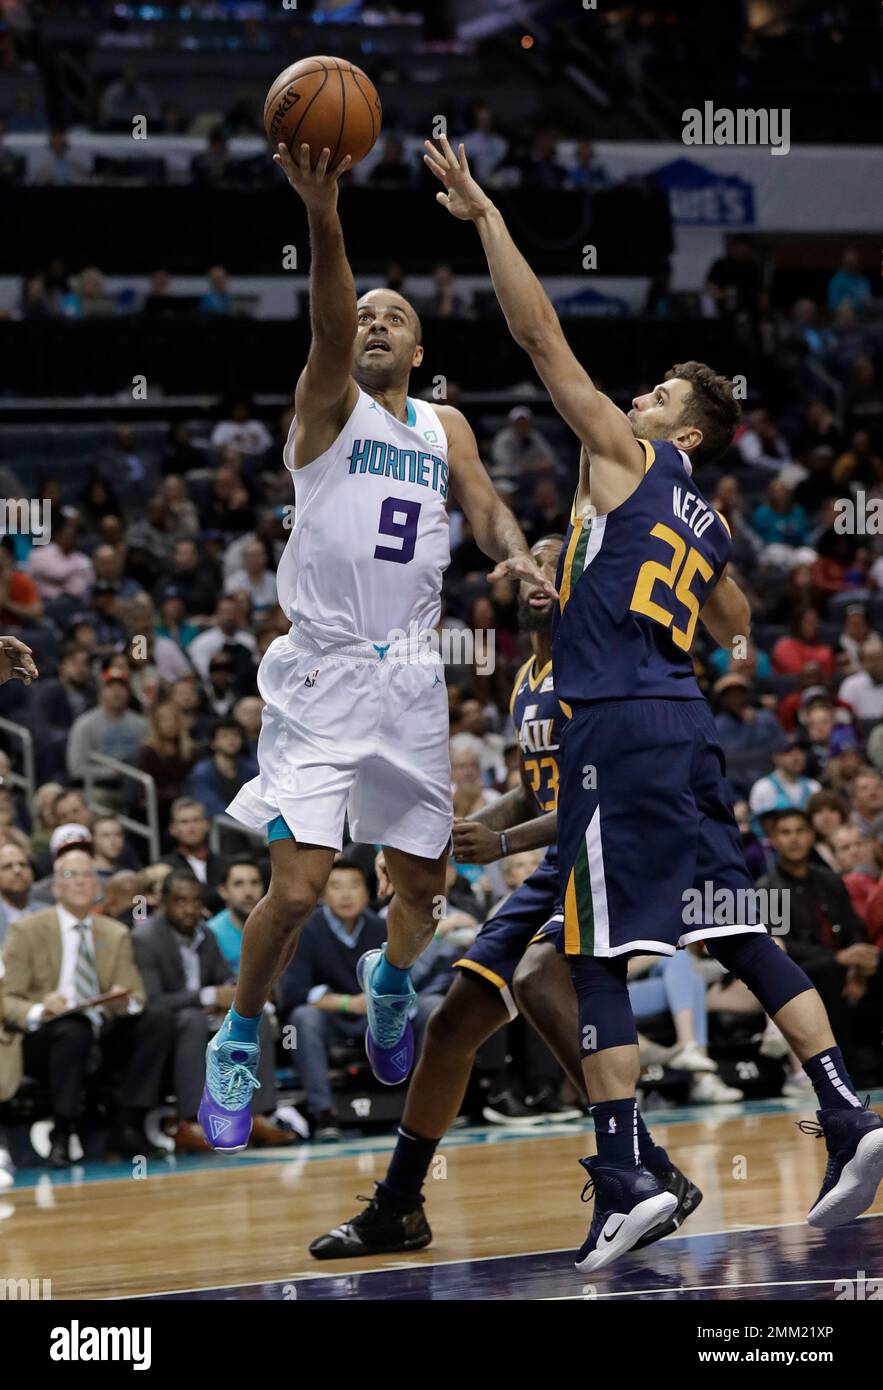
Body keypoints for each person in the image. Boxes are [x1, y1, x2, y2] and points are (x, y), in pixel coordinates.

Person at [423, 133, 883, 1270]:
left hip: (615, 719)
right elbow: (732, 623)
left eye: (656, 394)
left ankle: (626, 1171)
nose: (632, 395)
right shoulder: (709, 515)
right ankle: (848, 1110)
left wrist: (485, 217)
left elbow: (539, 339)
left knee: (588, 950)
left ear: (674, 431)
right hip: (683, 721)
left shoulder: (627, 460)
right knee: (733, 923)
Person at [197, 136, 551, 1151]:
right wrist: (323, 213)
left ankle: (390, 979)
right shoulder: (324, 407)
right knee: (299, 889)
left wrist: (519, 556)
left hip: (411, 677)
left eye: (397, 316)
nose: (374, 325)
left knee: (425, 891)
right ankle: (238, 1030)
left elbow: (484, 514)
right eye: (366, 317)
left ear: (422, 348)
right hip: (321, 671)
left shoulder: (446, 430)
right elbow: (326, 310)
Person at [310, 537, 700, 1254]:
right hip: (559, 859)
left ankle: (643, 1169)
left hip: (613, 850)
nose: (538, 572)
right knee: (452, 1025)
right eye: (532, 561)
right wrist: (432, 842)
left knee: (538, 977)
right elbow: (535, 785)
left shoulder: (597, 662)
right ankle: (399, 1204)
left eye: (558, 562)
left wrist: (506, 845)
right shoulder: (527, 674)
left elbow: (606, 783)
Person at [0, 849, 173, 1164]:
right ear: (55, 888)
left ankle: (128, 1124)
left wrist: (124, 1002)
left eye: (87, 875)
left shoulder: (116, 932)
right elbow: (7, 999)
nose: (80, 881)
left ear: (98, 887)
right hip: (43, 1036)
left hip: (100, 1025)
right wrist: (40, 1008)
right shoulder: (25, 930)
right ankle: (63, 1132)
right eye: (71, 875)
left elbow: (137, 995)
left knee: (157, 1019)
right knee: (71, 1029)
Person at [132, 872, 293, 1153]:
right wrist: (208, 996)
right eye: (181, 901)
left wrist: (232, 990)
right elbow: (153, 1000)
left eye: (196, 902)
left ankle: (258, 1115)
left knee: (258, 1019)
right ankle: (191, 1121)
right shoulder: (146, 937)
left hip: (208, 1016)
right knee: (191, 1020)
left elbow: (224, 977)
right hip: (168, 1026)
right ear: (162, 902)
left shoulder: (205, 933)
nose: (190, 909)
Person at [207, 858, 265, 975]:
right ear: (223, 891)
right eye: (238, 884)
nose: (248, 892)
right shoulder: (210, 934)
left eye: (255, 883)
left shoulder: (278, 930)